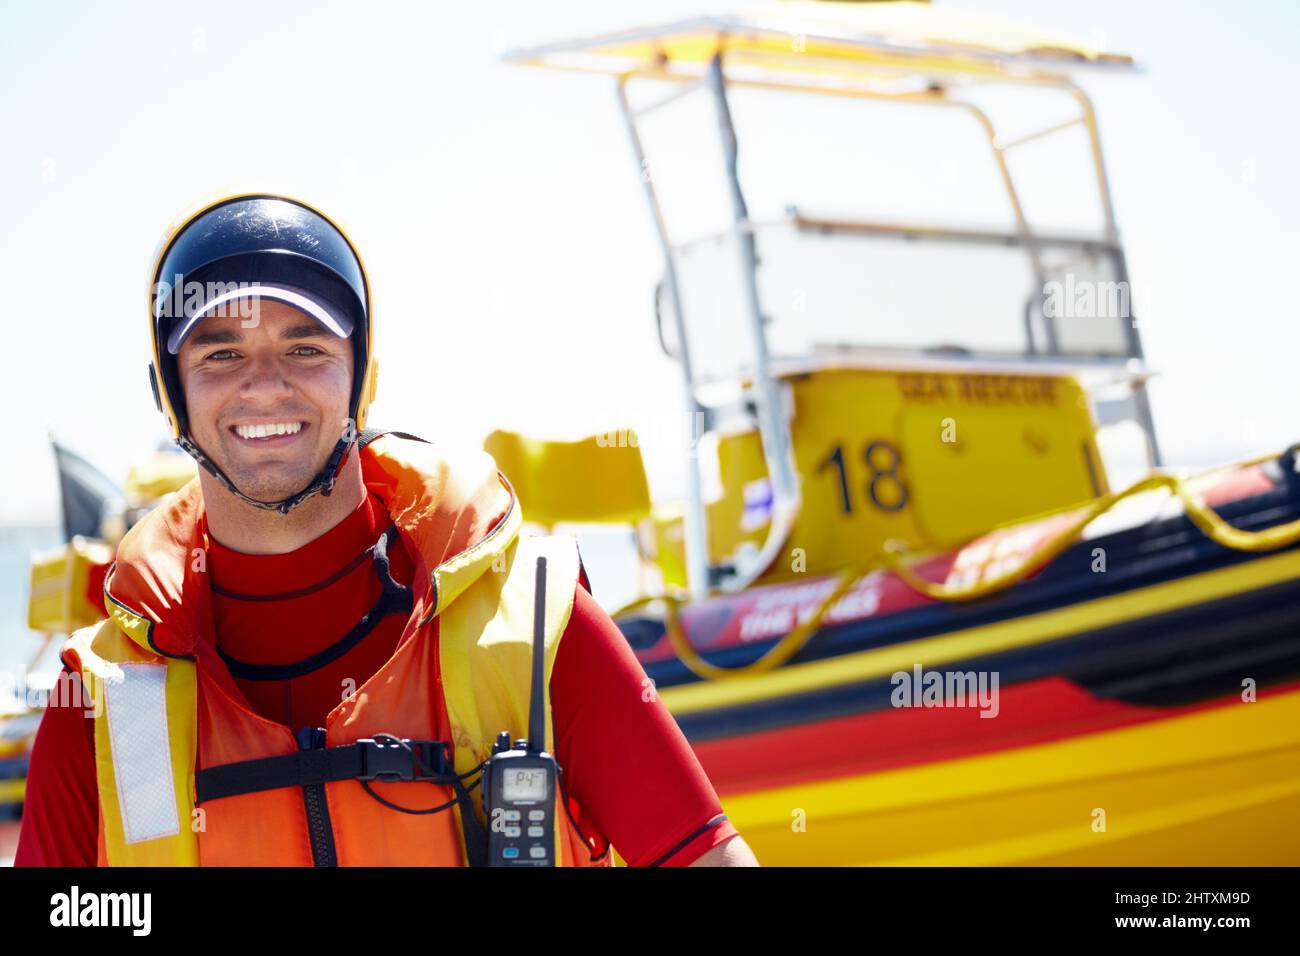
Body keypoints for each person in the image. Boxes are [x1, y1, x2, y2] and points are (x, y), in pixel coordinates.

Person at [16, 193, 758, 867]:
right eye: (220, 354)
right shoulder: (110, 708)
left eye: (307, 347)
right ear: (169, 397)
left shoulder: (530, 632)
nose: (266, 383)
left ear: (362, 379)